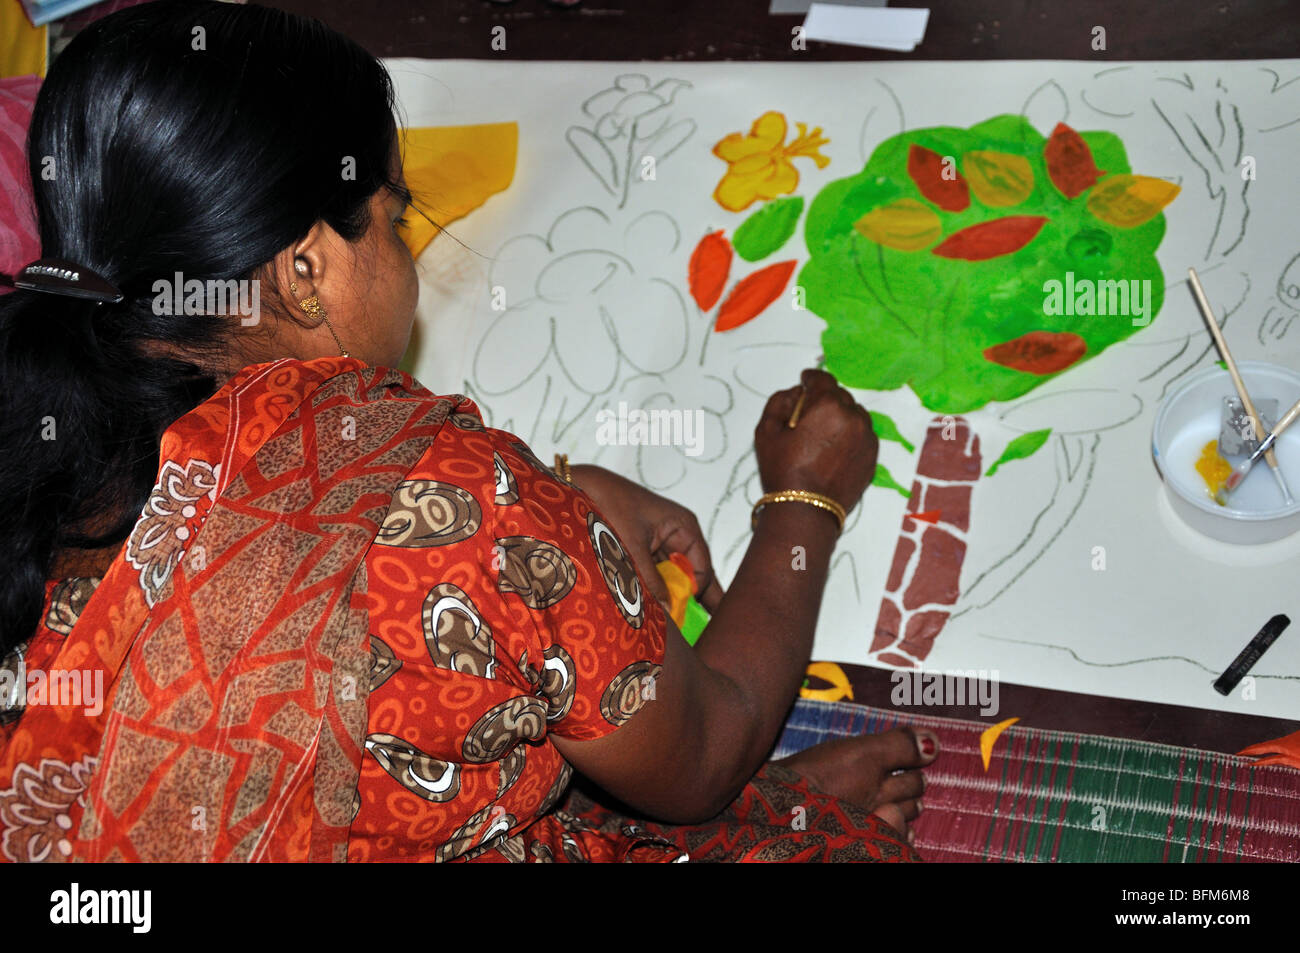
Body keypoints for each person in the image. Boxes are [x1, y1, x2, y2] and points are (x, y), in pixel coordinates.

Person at [0, 0, 937, 863]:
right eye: (396, 223)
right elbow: (702, 754)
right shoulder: (467, 508)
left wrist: (551, 510)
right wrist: (806, 501)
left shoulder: (33, 442)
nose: (410, 264)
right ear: (306, 271)